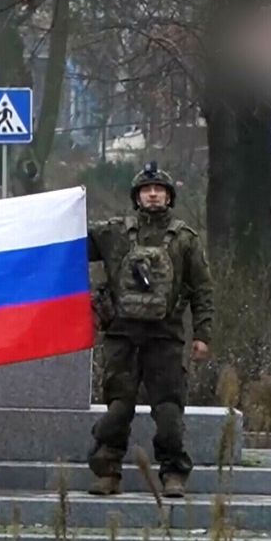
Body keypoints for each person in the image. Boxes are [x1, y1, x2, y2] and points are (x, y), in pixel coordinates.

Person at [86, 161, 214, 498]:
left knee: (169, 411)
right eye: (146, 189)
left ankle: (173, 473)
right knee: (117, 409)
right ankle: (107, 472)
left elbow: (202, 289)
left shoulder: (185, 240)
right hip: (122, 336)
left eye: (159, 190)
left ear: (169, 197)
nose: (153, 194)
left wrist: (203, 334)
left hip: (166, 337)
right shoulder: (113, 233)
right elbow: (72, 245)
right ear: (137, 196)